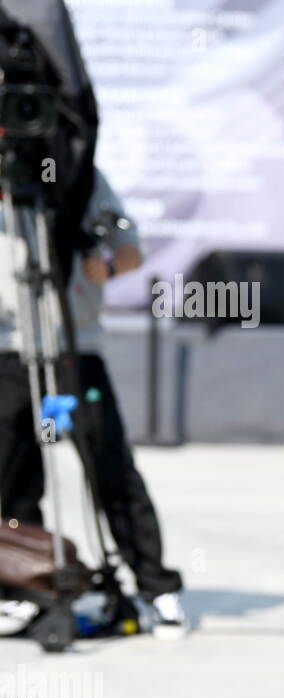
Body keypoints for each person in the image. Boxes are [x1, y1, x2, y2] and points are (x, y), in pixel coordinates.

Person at [0, 167, 188, 637]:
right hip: (8, 347)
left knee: (111, 469)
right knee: (11, 474)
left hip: (75, 347)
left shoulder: (76, 173)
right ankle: (22, 584)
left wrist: (102, 261)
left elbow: (128, 246)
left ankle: (155, 587)